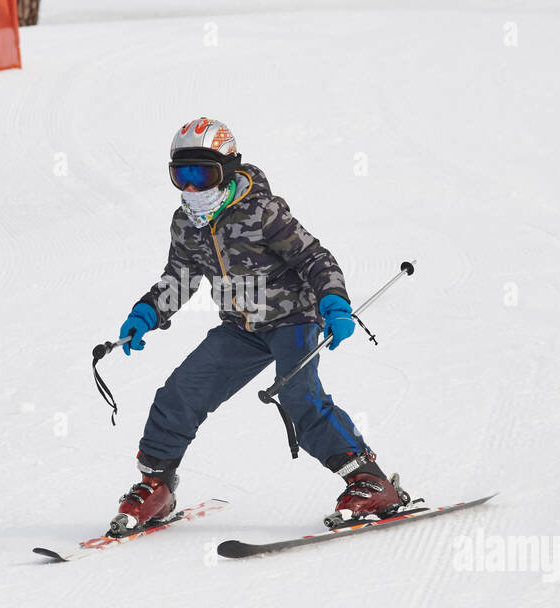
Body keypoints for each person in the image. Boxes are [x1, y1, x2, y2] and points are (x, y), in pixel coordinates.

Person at [108, 117, 408, 537]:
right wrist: (147, 313)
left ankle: (370, 482)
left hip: (292, 320)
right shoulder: (185, 223)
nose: (192, 188)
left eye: (202, 174)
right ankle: (156, 485)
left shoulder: (263, 211)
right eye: (182, 175)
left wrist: (334, 303)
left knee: (299, 396)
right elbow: (180, 278)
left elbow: (314, 259)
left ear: (227, 170)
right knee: (181, 392)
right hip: (240, 329)